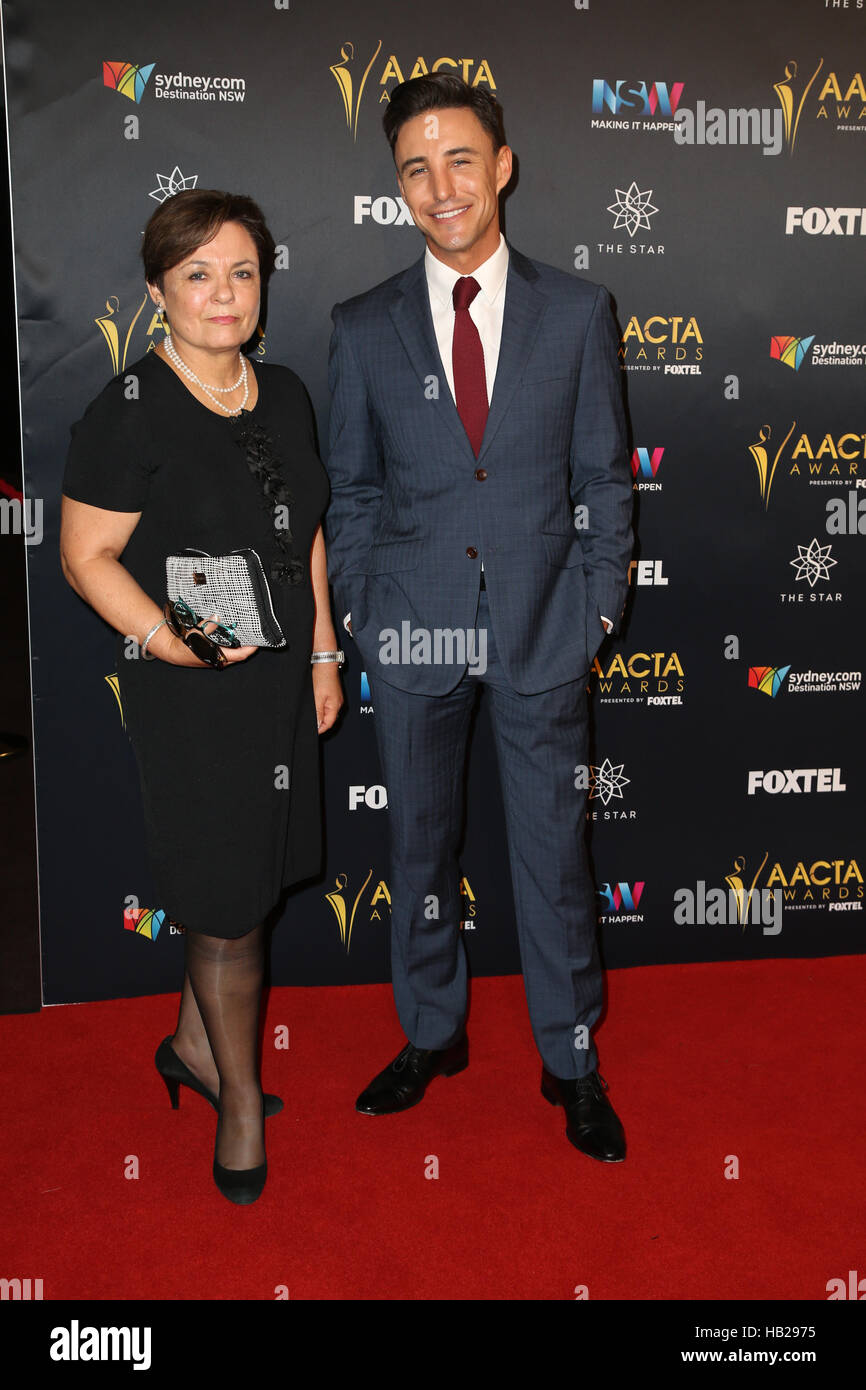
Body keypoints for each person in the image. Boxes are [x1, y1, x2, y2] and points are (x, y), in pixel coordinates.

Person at [325, 75, 633, 1162]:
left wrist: (598, 605)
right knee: (417, 848)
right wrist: (362, 607)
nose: (440, 185)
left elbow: (603, 476)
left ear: (500, 166)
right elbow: (351, 491)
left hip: (546, 622)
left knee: (552, 855)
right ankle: (429, 1034)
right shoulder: (361, 326)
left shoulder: (577, 310)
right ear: (398, 187)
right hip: (411, 628)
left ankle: (571, 1058)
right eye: (415, 167)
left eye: (459, 159)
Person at [60, 190, 342, 1203]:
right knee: (225, 912)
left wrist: (321, 652)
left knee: (254, 882)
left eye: (241, 273)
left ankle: (187, 1041)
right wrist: (164, 643)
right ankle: (233, 1096)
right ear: (156, 292)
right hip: (195, 697)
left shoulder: (287, 393)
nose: (222, 294)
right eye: (197, 275)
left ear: (263, 286)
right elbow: (84, 554)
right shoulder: (126, 409)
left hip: (276, 684)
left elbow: (302, 531)